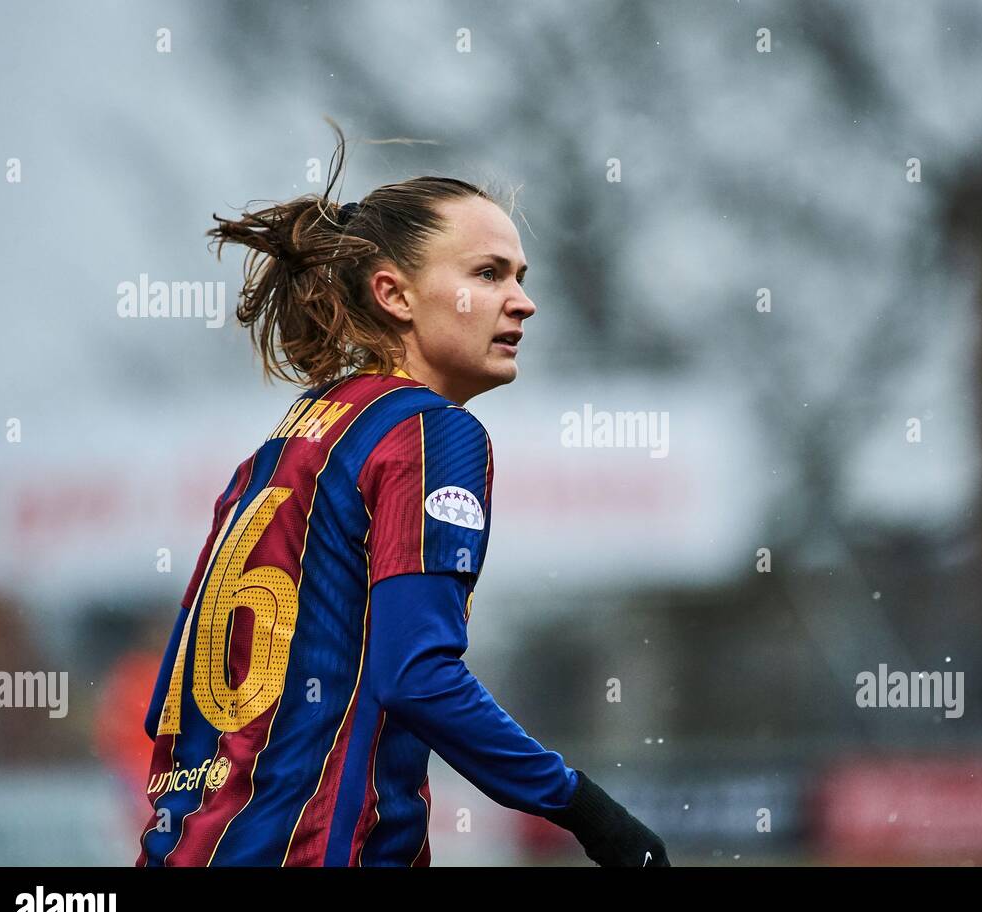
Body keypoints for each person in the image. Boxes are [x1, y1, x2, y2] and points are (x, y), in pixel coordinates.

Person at [135, 127, 669, 867]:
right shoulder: (429, 432)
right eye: (488, 274)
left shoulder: (283, 447)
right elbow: (417, 676)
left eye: (519, 275)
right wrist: (588, 809)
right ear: (393, 293)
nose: (524, 302)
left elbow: (178, 708)